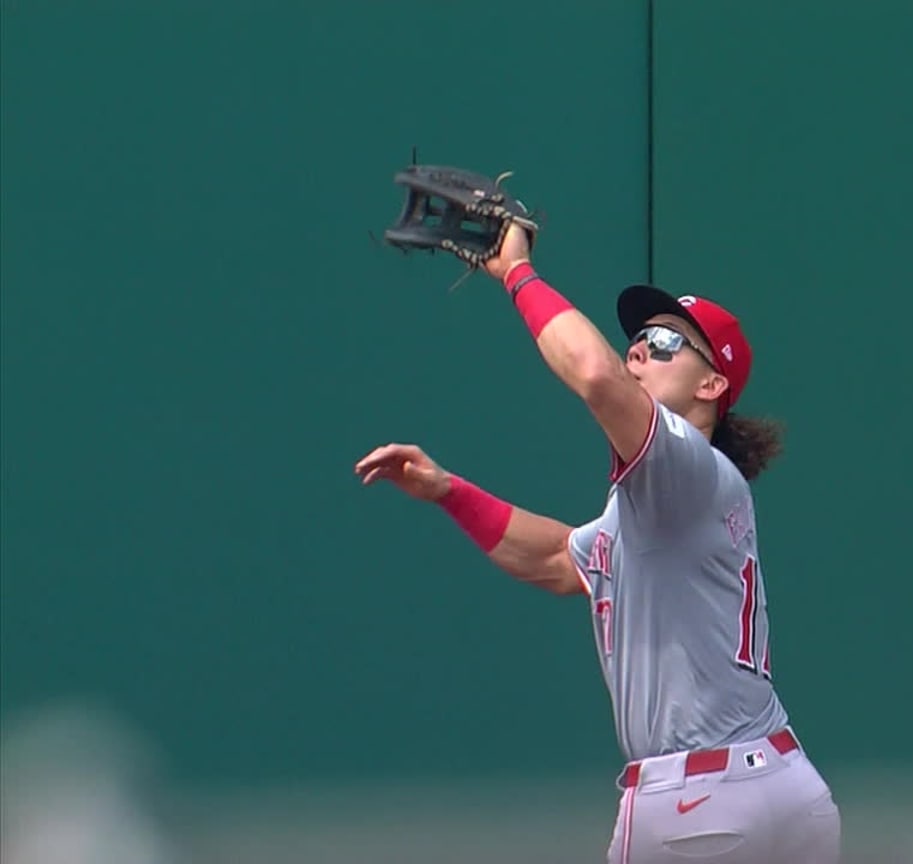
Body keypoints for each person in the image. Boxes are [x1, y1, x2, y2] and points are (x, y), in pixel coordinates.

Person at [353, 221, 841, 863]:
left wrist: (516, 273)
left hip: (700, 806)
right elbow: (558, 559)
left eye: (664, 343)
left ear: (711, 385)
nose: (637, 351)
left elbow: (594, 373)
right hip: (784, 788)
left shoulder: (683, 463)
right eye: (637, 339)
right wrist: (450, 491)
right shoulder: (665, 500)